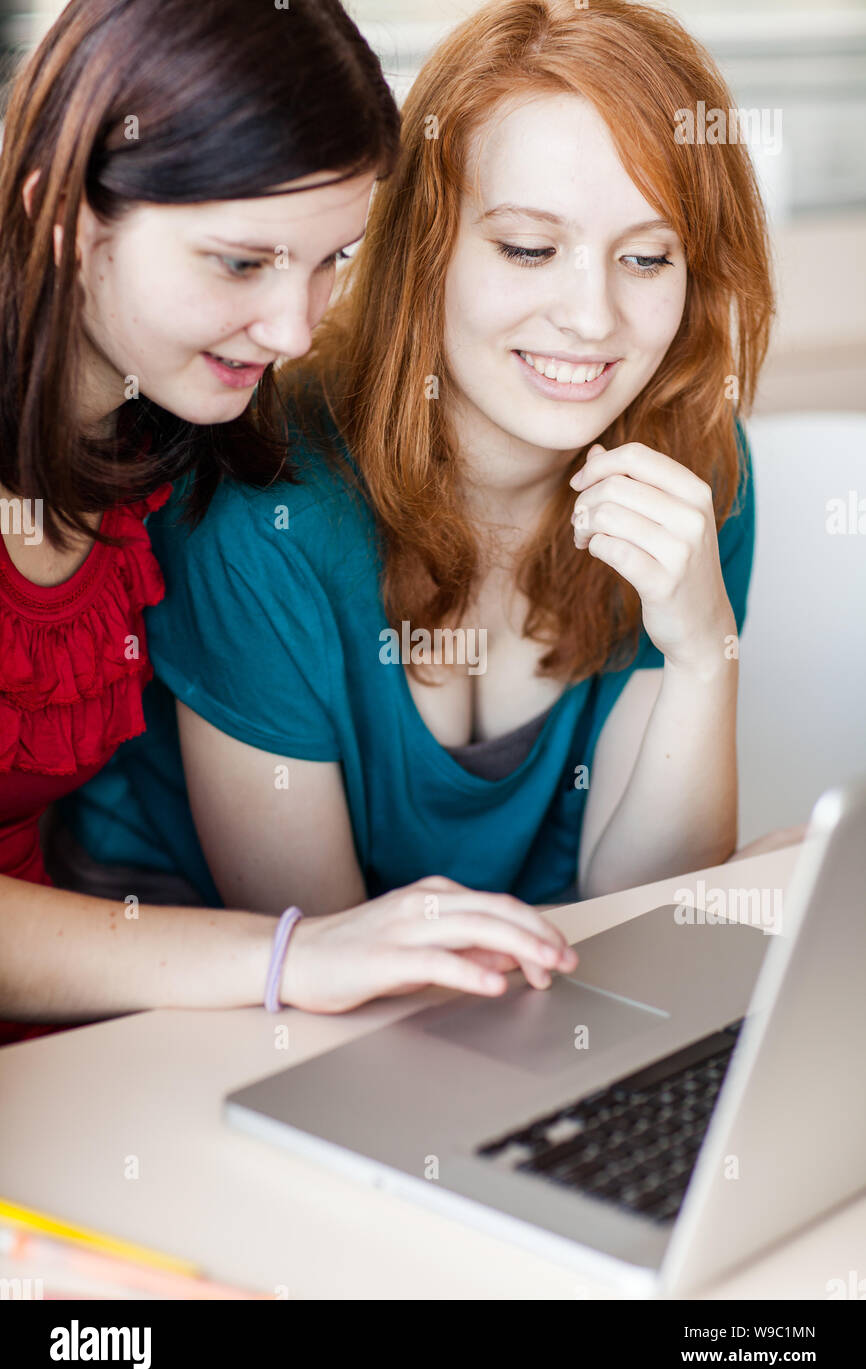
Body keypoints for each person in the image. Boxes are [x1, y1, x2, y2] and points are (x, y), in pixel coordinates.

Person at [58, 0, 785, 978]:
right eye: (527, 248)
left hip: (511, 1011)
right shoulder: (262, 494)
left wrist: (702, 651)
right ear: (422, 249)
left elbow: (643, 924)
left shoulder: (690, 466)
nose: (590, 316)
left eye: (646, 257)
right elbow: (328, 963)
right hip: (235, 1020)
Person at [0, 0, 576, 1047]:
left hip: (76, 1038)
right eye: (240, 262)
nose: (294, 328)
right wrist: (291, 954)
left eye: (331, 260)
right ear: (63, 218)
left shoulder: (158, 446)